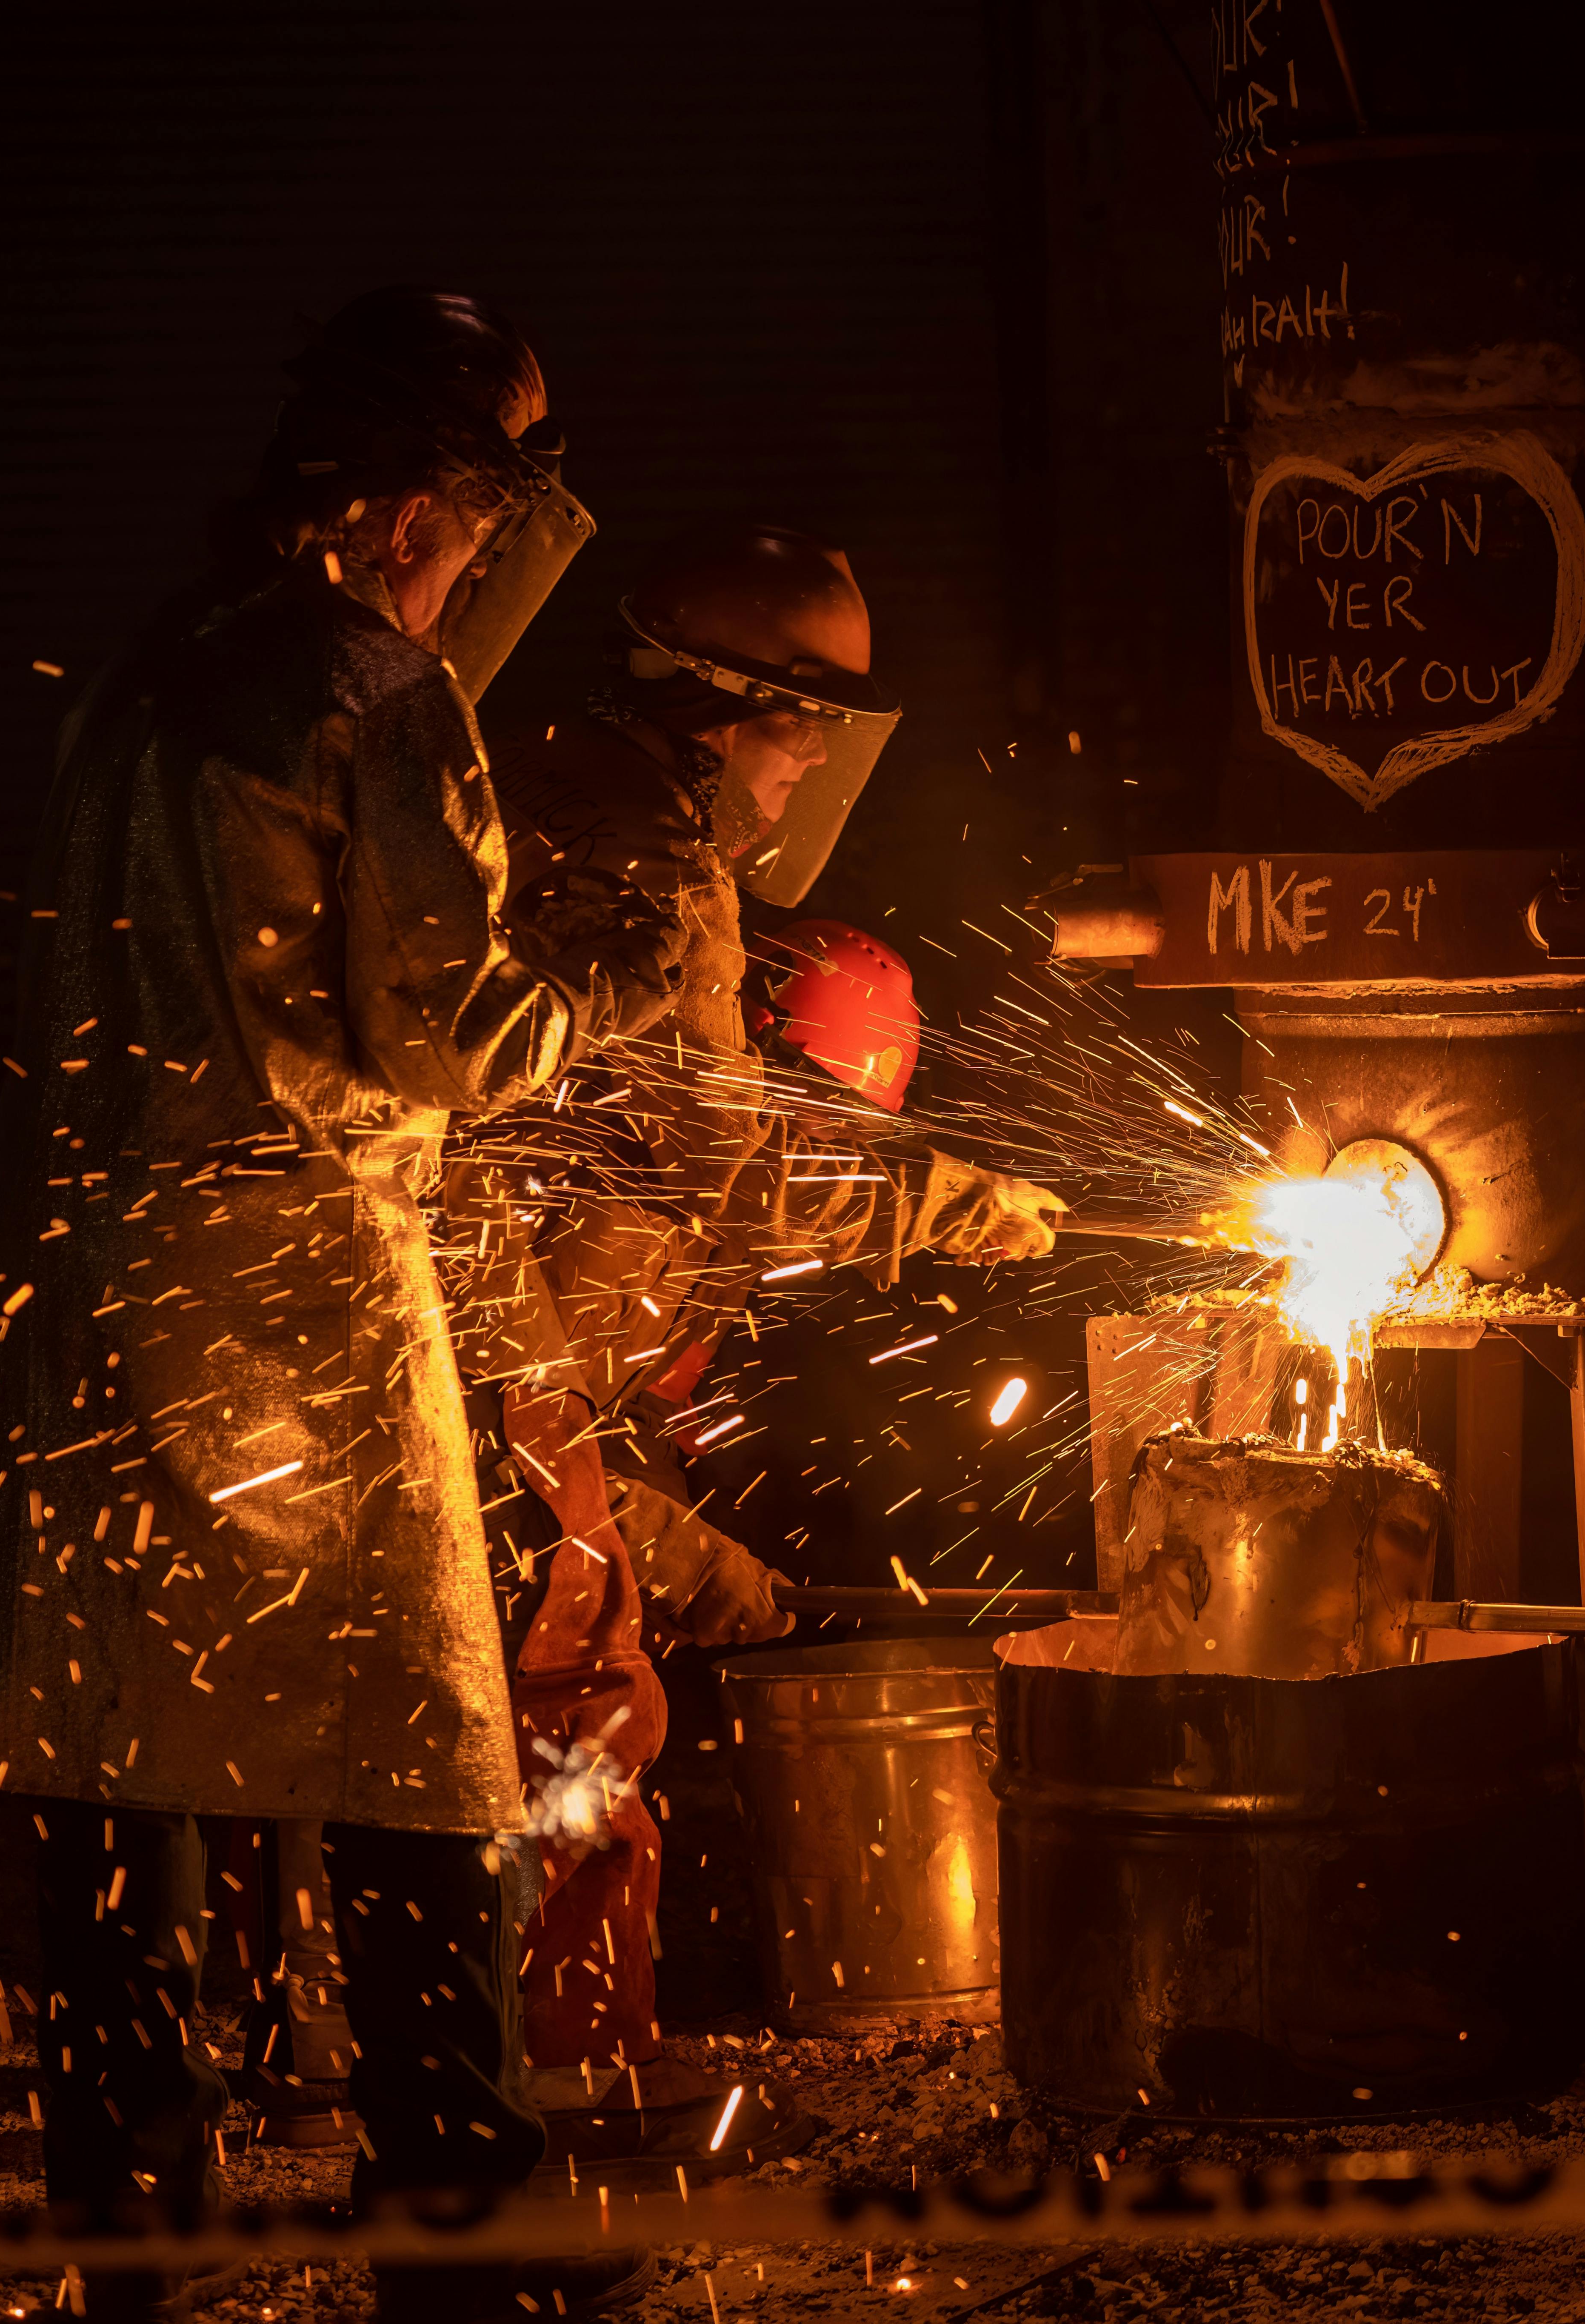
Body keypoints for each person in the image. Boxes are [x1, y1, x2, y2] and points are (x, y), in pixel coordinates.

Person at [0, 286, 679, 2324]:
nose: (461, 575)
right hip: (303, 1282)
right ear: (414, 510)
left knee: (124, 1764)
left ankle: (135, 2230)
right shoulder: (374, 688)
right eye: (463, 533)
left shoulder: (140, 683)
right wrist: (613, 984)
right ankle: (462, 2222)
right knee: (413, 1766)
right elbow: (443, 1033)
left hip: (100, 1280)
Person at [442, 526, 1061, 2130]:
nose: (809, 769)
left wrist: (693, 1557)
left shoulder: (555, 794)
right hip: (496, 1341)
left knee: (458, 1699)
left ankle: (331, 2058)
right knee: (574, 1705)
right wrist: (934, 1201)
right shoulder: (647, 869)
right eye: (804, 727)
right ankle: (574, 2078)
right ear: (722, 711)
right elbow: (716, 1156)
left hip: (471, 1336)